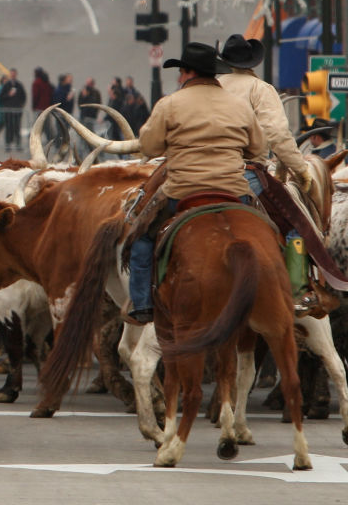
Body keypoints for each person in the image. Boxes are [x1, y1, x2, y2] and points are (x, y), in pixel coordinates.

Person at [126, 42, 265, 324]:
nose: (179, 77)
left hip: (182, 191)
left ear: (188, 72)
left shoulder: (170, 104)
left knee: (140, 236)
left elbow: (149, 147)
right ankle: (291, 292)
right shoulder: (239, 106)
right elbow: (258, 150)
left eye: (181, 72)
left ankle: (142, 304)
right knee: (272, 230)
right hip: (233, 192)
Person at [217, 33, 324, 312]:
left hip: (199, 172)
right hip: (244, 173)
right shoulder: (260, 89)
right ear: (252, 62)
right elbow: (277, 134)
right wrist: (301, 170)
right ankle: (298, 292)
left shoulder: (210, 86)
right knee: (296, 225)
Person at [0, 68, 28, 152]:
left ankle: (18, 144)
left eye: (14, 74)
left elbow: (24, 96)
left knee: (17, 128)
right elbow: (1, 97)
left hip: (17, 110)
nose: (13, 75)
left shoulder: (19, 85)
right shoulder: (6, 85)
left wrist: (21, 105)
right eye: (11, 74)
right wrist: (9, 95)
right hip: (8, 111)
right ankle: (8, 145)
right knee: (8, 128)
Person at [31, 67, 54, 141]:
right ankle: (51, 139)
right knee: (46, 125)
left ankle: (34, 139)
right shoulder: (46, 82)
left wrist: (34, 106)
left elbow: (35, 96)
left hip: (39, 108)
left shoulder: (37, 83)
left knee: (38, 125)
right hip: (46, 107)